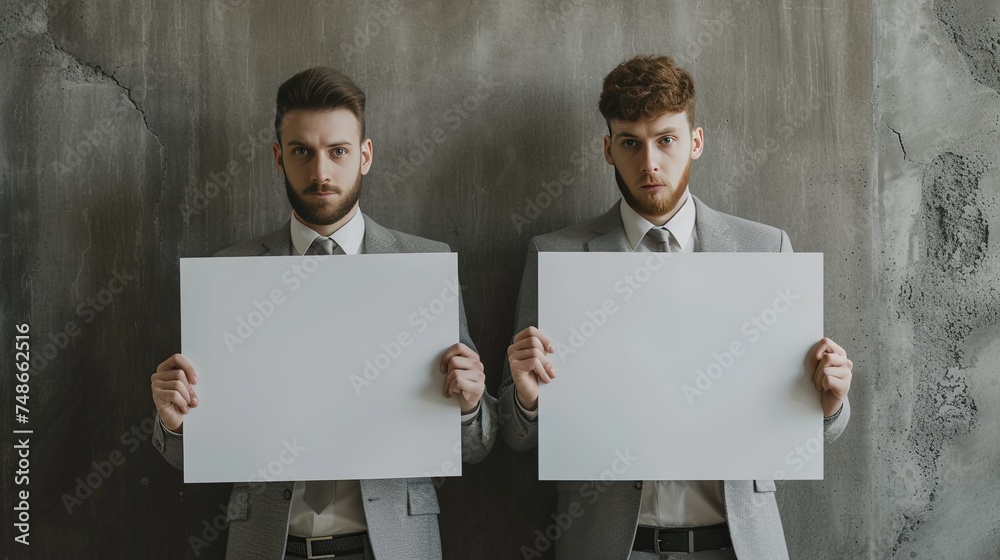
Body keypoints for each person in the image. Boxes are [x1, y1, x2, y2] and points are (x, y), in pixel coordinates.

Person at [498, 55, 853, 560]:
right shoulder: (554, 256)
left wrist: (833, 399)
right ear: (607, 149)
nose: (650, 164)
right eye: (630, 143)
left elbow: (820, 426)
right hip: (610, 545)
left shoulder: (765, 250)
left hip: (737, 543)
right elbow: (515, 436)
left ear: (696, 141)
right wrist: (528, 400)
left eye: (666, 139)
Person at [150, 67, 497, 560]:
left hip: (392, 545)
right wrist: (173, 422)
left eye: (338, 151)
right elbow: (195, 454)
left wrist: (469, 404)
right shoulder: (231, 274)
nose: (320, 173)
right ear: (278, 158)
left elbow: (477, 444)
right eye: (302, 152)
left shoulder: (425, 265)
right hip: (269, 545)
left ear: (365, 156)